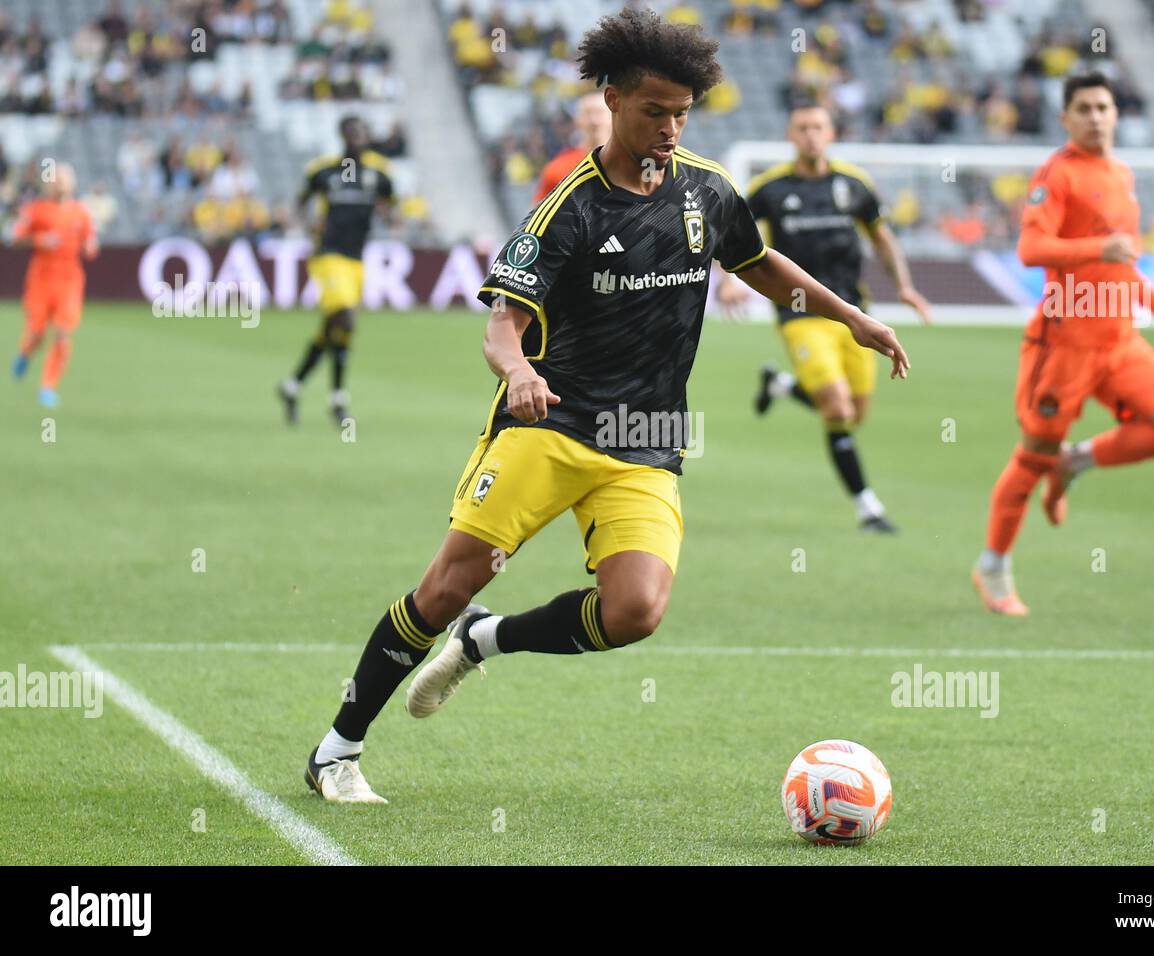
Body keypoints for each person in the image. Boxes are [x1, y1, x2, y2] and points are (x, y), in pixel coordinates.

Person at [302, 8, 909, 803]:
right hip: (549, 425)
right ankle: (336, 751)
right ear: (614, 98)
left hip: (647, 438)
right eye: (654, 111)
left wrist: (851, 316)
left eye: (681, 114)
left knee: (636, 612)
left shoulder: (708, 189)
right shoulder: (571, 208)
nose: (669, 127)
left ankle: (487, 641)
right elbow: (501, 327)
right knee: (442, 586)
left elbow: (758, 265)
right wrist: (518, 372)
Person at [972, 73, 1154, 616]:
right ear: (1065, 118)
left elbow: (1119, 262)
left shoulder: (1121, 172)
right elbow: (1030, 247)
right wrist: (1102, 245)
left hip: (1120, 337)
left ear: (1116, 113)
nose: (1095, 116)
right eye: (1083, 108)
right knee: (1031, 458)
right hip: (1065, 343)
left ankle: (1075, 462)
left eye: (1103, 106)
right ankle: (993, 567)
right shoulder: (1058, 173)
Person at [721, 102, 932, 533]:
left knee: (855, 412)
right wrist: (726, 280)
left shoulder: (854, 185)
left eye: (818, 127)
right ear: (790, 135)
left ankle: (780, 385)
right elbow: (727, 231)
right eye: (802, 127)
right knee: (835, 406)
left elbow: (881, 237)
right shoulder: (771, 188)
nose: (810, 135)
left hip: (854, 311)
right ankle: (868, 508)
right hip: (798, 311)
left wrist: (905, 286)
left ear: (831, 134)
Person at [277, 116, 394, 426]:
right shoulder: (323, 170)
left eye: (363, 131)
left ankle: (293, 386)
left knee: (334, 329)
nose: (359, 136)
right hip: (328, 256)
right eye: (353, 132)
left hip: (356, 260)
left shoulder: (378, 171)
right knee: (345, 318)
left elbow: (390, 202)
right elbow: (300, 201)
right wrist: (302, 225)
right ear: (342, 134)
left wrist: (391, 218)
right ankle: (338, 398)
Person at [10, 163, 98, 408]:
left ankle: (48, 386)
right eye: (55, 179)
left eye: (64, 179)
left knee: (62, 333)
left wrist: (90, 248)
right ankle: (26, 352)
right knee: (37, 333)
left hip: (69, 281)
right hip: (40, 280)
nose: (59, 183)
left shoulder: (81, 212)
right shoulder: (36, 210)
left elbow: (91, 241)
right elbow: (15, 238)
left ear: (73, 183)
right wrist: (39, 239)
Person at [533, 89, 612, 203]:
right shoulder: (557, 168)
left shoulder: (634, 165)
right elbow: (538, 214)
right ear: (578, 120)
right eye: (588, 114)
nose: (595, 121)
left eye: (600, 113)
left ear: (614, 118)